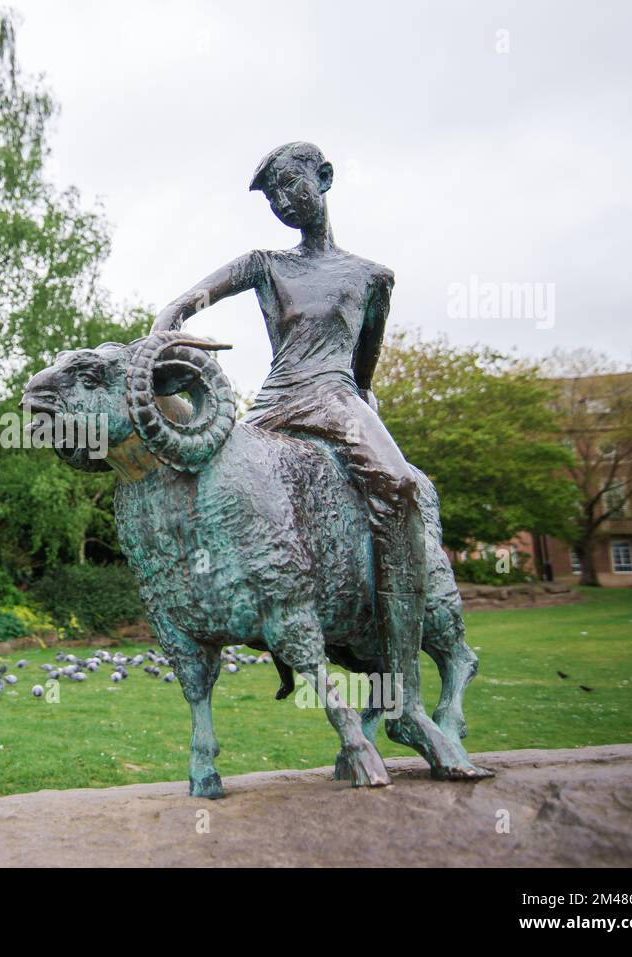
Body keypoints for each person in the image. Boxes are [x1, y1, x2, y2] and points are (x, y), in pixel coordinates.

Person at [150, 141, 427, 739]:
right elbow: (180, 305)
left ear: (323, 178)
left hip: (336, 398)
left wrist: (365, 415)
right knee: (216, 489)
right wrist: (165, 336)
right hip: (274, 405)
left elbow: (365, 361)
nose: (281, 201)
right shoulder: (264, 264)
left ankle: (405, 698)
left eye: (289, 184)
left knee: (400, 488)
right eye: (271, 194)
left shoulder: (370, 277)